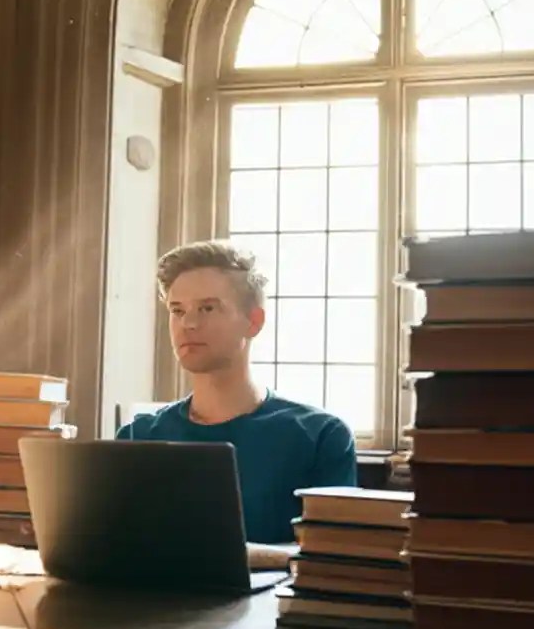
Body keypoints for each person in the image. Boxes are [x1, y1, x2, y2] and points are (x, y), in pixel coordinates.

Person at [116, 239, 358, 561]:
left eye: (207, 308)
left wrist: (234, 557)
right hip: (148, 609)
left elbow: (336, 554)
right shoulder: (138, 437)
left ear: (253, 322)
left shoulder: (320, 436)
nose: (188, 324)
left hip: (272, 609)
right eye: (178, 310)